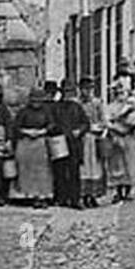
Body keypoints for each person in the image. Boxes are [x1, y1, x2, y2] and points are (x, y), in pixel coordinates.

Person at [50, 80, 90, 208]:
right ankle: (61, 198)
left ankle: (75, 199)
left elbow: (86, 123)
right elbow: (51, 123)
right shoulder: (56, 107)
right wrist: (59, 130)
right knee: (60, 171)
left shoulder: (77, 107)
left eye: (70, 92)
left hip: (74, 143)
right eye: (66, 91)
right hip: (60, 143)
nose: (68, 94)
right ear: (61, 92)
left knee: (74, 172)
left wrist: (80, 130)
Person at [11, 87, 54, 204]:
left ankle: (42, 195)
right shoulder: (23, 112)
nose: (36, 103)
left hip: (40, 142)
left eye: (38, 101)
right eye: (34, 101)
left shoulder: (46, 111)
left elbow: (51, 124)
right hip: (26, 142)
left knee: (42, 170)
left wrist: (43, 131)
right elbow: (15, 127)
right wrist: (26, 131)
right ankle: (29, 195)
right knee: (26, 169)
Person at [78, 76, 107, 206]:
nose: (87, 92)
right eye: (84, 89)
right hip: (83, 139)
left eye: (89, 89)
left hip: (94, 138)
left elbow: (103, 121)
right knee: (84, 167)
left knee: (95, 166)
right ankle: (84, 195)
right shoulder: (77, 104)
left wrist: (99, 127)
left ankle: (94, 195)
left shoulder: (97, 103)